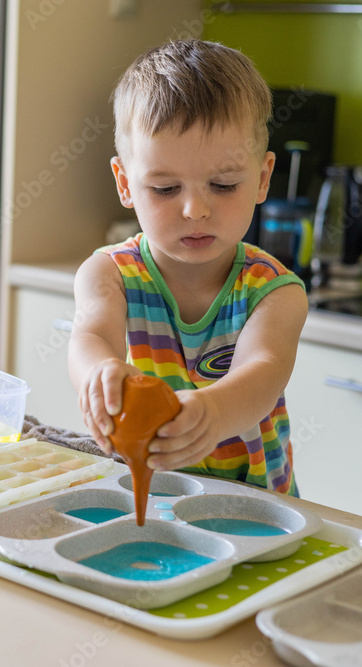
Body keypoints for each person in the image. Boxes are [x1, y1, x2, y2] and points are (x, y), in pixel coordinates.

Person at [68, 39, 308, 495]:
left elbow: (263, 369)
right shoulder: (109, 275)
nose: (195, 210)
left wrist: (214, 413)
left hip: (253, 508)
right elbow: (92, 336)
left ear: (261, 179)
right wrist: (99, 374)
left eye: (223, 185)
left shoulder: (274, 292)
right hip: (148, 494)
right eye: (164, 189)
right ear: (124, 184)